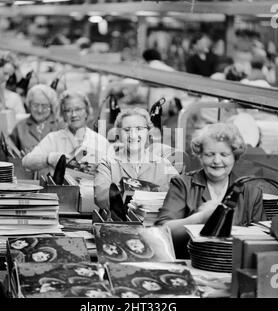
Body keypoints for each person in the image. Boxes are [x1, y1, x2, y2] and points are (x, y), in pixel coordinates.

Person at [155, 123, 266, 258]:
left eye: (224, 154)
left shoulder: (252, 192)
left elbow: (262, 241)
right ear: (200, 156)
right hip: (192, 263)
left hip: (232, 267)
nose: (217, 161)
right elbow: (162, 232)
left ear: (235, 157)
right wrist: (200, 218)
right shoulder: (183, 184)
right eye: (209, 154)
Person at [94, 107, 178, 211]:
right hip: (120, 223)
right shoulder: (107, 163)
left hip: (153, 224)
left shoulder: (164, 164)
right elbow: (101, 198)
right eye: (127, 130)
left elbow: (179, 194)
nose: (133, 135)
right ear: (119, 134)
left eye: (139, 129)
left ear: (148, 132)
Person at [22, 91, 114, 175]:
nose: (74, 115)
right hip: (61, 191)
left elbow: (113, 171)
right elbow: (26, 162)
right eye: (68, 110)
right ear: (63, 115)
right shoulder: (53, 139)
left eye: (78, 109)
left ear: (87, 112)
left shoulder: (101, 142)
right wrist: (49, 158)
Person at [9, 84, 63, 154]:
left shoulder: (60, 126)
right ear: (29, 104)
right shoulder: (20, 126)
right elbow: (10, 152)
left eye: (44, 106)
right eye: (35, 105)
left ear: (51, 106)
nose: (39, 110)